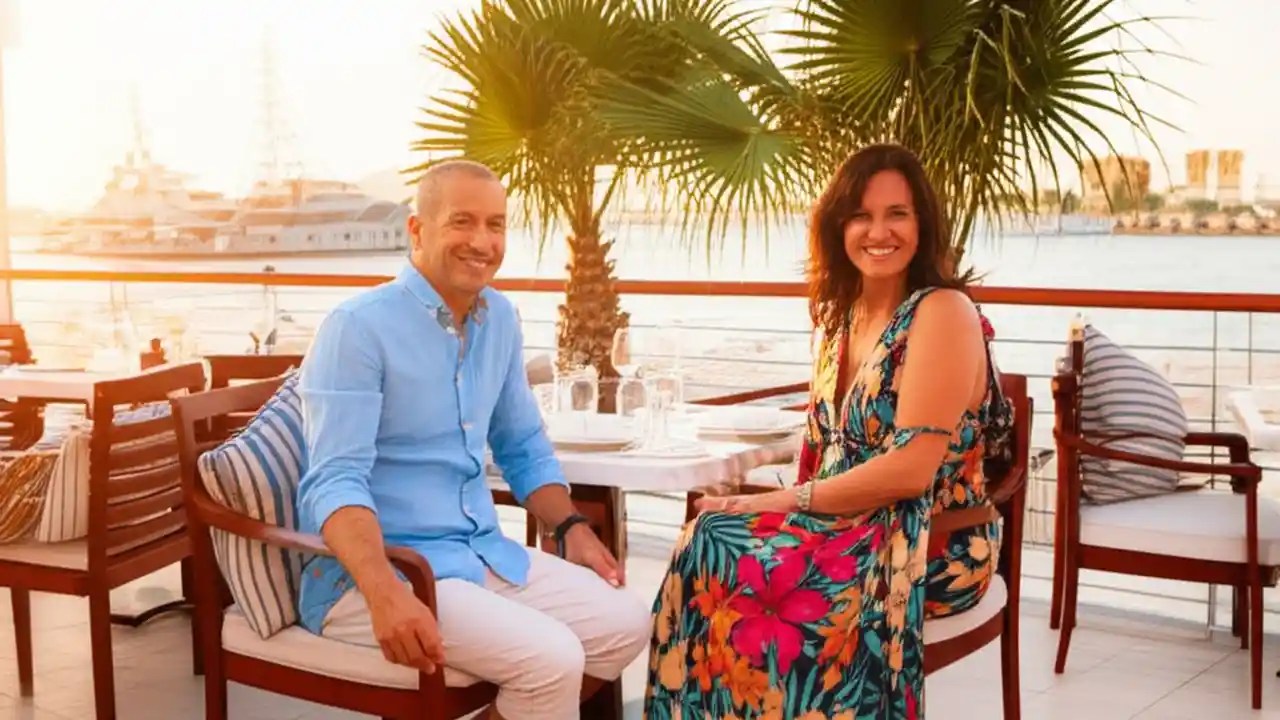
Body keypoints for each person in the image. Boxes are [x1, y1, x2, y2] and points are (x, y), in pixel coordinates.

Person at [643, 144, 1010, 719]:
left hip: (931, 537)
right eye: (861, 215)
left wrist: (783, 503)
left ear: (924, 223)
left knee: (780, 593)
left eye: (898, 213)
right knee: (706, 539)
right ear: (838, 227)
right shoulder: (841, 317)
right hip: (842, 526)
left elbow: (911, 469)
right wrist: (770, 513)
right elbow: (818, 452)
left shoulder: (942, 311)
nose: (878, 231)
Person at [296, 159, 651, 720]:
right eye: (462, 221)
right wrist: (386, 593)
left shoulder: (500, 319)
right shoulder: (357, 328)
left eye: (496, 224)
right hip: (382, 571)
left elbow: (522, 442)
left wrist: (570, 526)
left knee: (626, 624)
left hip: (477, 550)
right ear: (417, 230)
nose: (482, 242)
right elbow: (333, 481)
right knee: (551, 659)